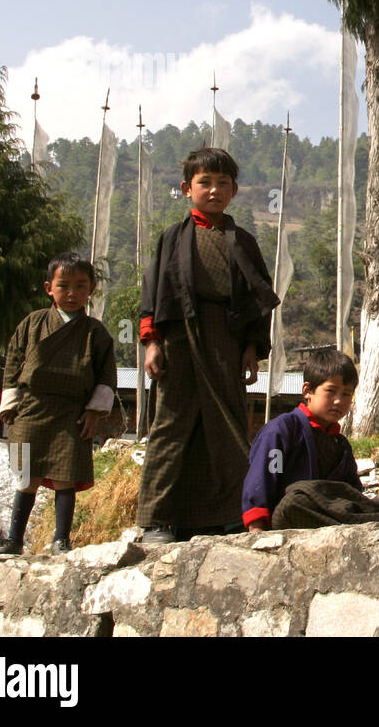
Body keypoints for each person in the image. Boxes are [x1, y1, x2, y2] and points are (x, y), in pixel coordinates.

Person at [137, 147, 279, 543]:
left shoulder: (243, 241)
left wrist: (251, 348)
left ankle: (231, 515)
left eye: (222, 183)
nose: (213, 190)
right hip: (180, 337)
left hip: (226, 339)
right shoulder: (172, 239)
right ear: (186, 188)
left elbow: (257, 298)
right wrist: (152, 343)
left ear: (233, 190)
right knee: (171, 425)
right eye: (204, 182)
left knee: (227, 425)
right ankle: (158, 520)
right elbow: (153, 294)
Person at [0, 253, 116, 555]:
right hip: (31, 408)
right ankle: (14, 540)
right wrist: (9, 403)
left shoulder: (96, 333)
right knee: (25, 476)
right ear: (49, 288)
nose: (72, 293)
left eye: (80, 286)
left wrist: (94, 413)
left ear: (92, 288)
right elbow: (13, 363)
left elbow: (106, 375)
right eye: (64, 286)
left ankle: (61, 540)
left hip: (72, 412)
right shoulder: (32, 323)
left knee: (65, 477)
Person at [242, 349, 379, 530]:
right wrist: (257, 526)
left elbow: (351, 491)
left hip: (328, 517)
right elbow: (264, 477)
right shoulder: (281, 431)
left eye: (346, 394)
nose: (338, 401)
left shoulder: (341, 445)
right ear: (307, 390)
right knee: (295, 501)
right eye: (331, 391)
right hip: (290, 516)